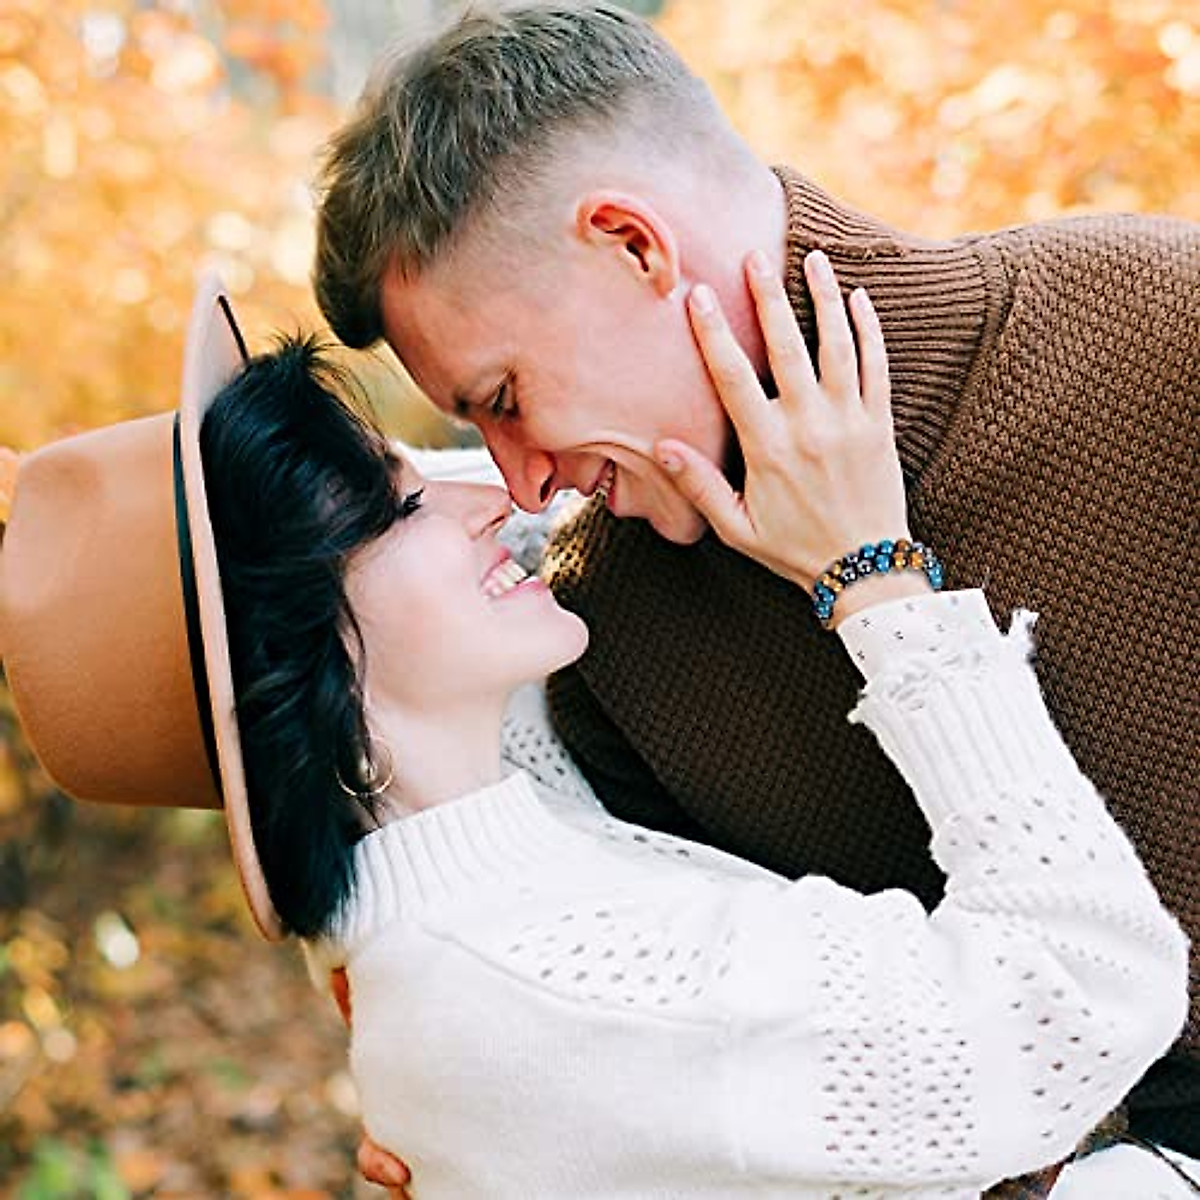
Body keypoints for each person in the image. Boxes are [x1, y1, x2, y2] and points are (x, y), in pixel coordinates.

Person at [0, 268, 1191, 1197]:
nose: (496, 499)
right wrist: (875, 576)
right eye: (403, 502)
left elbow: (467, 557)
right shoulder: (575, 992)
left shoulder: (439, 845)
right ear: (298, 660)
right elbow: (1082, 987)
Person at [311, 0, 1200, 1157]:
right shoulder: (606, 636)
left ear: (635, 245)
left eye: (508, 401)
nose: (525, 486)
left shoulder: (1162, 337)